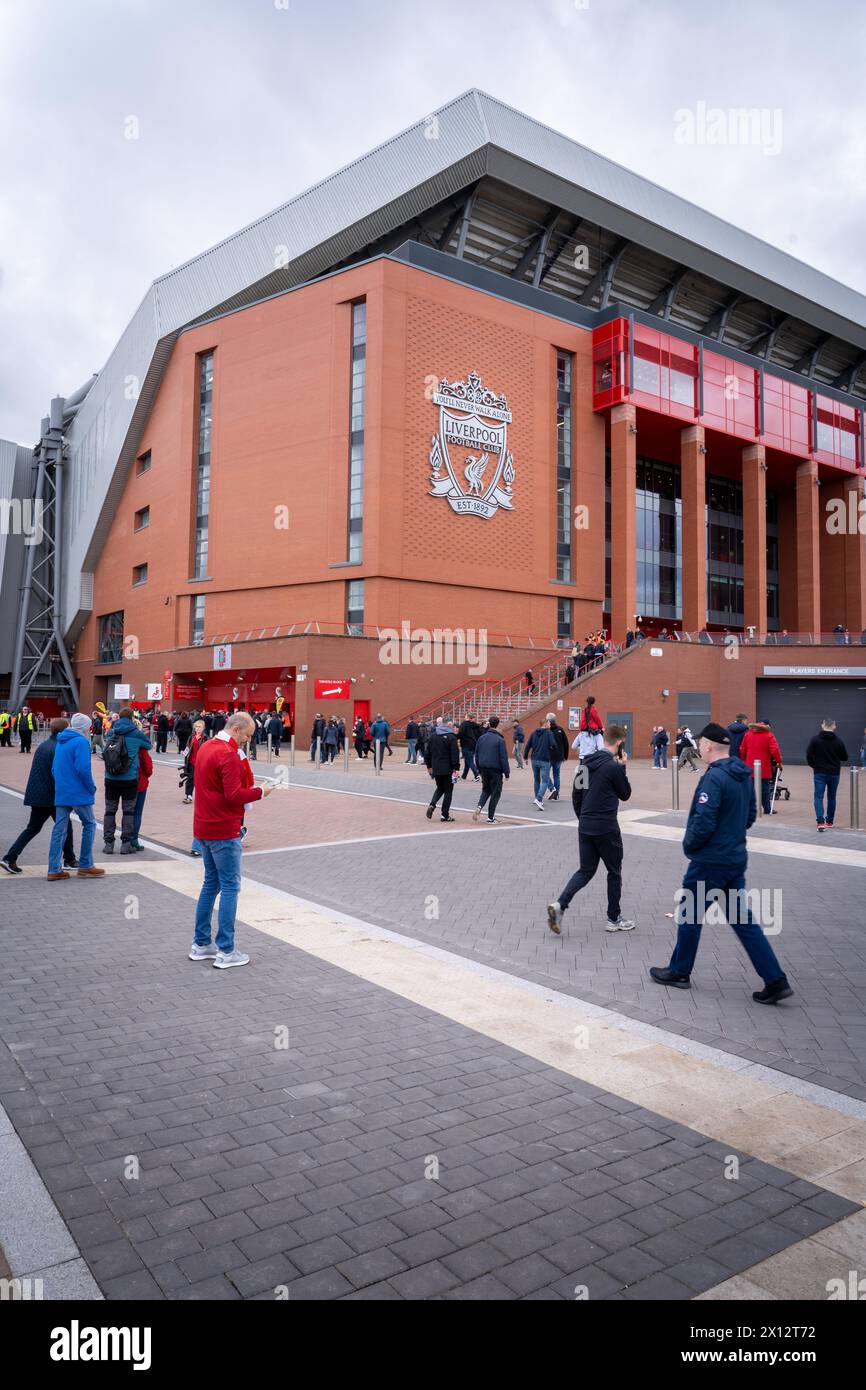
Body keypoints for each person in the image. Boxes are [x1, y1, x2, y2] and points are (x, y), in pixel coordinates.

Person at [649, 723, 793, 1004]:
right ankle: (775, 979)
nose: (700, 748)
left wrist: (690, 845)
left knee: (690, 915)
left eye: (702, 744)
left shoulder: (715, 778)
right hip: (735, 858)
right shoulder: (742, 774)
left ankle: (679, 971)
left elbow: (704, 820)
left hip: (710, 861)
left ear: (710, 747)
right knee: (743, 921)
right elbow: (751, 815)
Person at [189, 712, 272, 968]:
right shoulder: (227, 753)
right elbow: (234, 795)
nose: (248, 740)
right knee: (230, 887)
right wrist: (261, 791)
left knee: (210, 884)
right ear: (236, 729)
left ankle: (201, 944)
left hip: (203, 826)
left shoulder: (207, 746)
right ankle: (226, 950)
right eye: (247, 735)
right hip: (223, 828)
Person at [547, 724, 634, 935]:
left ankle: (560, 904)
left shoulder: (585, 764)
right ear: (620, 742)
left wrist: (583, 817)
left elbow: (577, 794)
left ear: (604, 740)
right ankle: (614, 918)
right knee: (614, 872)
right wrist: (623, 767)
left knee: (585, 870)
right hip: (606, 826)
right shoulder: (613, 767)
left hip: (585, 824)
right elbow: (625, 794)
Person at [1, 718, 78, 874]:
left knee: (33, 828)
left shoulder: (44, 746)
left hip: (38, 794)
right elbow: (60, 775)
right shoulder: (59, 747)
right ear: (64, 731)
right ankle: (69, 860)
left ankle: (10, 857)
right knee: (65, 827)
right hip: (52, 796)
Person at [47, 713, 105, 881]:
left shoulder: (61, 741)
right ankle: (86, 864)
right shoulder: (81, 742)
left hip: (62, 790)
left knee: (59, 829)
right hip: (78, 791)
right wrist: (91, 787)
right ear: (85, 728)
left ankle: (53, 868)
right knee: (89, 824)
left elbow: (54, 769)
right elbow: (83, 769)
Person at [102, 706, 152, 854]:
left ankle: (108, 844)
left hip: (110, 777)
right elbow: (148, 745)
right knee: (128, 811)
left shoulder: (112, 731)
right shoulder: (136, 733)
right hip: (129, 778)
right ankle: (126, 844)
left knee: (110, 811)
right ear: (132, 718)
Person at [805, 718, 849, 832]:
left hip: (819, 772)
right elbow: (845, 757)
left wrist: (814, 765)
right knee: (831, 797)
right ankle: (829, 821)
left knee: (818, 797)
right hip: (834, 773)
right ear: (834, 726)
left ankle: (820, 822)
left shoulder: (815, 740)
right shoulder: (839, 741)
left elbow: (809, 755)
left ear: (822, 725)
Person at [739, 720, 782, 815]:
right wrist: (779, 761)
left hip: (750, 766)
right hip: (764, 768)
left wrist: (744, 760)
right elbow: (775, 750)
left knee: (749, 789)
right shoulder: (769, 735)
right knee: (765, 790)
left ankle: (748, 809)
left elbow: (742, 749)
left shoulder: (748, 734)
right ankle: (767, 809)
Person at [472, 715, 509, 823]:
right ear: (497, 724)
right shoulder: (500, 739)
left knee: (486, 790)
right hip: (495, 770)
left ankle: (479, 806)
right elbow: (503, 757)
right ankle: (490, 817)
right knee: (495, 792)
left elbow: (477, 754)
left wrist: (479, 769)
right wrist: (506, 773)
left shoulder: (481, 738)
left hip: (483, 768)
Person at [424, 718, 459, 822]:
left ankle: (432, 805)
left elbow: (427, 752)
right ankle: (445, 814)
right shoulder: (452, 737)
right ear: (449, 725)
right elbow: (455, 754)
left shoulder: (433, 736)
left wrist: (429, 766)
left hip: (436, 767)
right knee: (448, 791)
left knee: (439, 788)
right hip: (448, 769)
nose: (453, 728)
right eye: (452, 726)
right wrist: (456, 768)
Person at [525, 718, 555, 810]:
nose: (550, 725)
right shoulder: (548, 733)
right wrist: (551, 748)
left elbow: (528, 745)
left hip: (534, 759)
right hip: (544, 759)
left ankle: (537, 798)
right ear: (545, 724)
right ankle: (539, 798)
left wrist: (525, 757)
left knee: (537, 780)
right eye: (549, 723)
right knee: (545, 781)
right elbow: (553, 744)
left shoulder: (534, 733)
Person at [131, 743, 153, 851]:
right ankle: (133, 839)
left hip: (124, 783)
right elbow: (148, 768)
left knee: (127, 811)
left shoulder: (121, 740)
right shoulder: (141, 747)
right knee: (137, 812)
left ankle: (124, 839)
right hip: (139, 783)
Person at [546, 712, 569, 801]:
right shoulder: (560, 729)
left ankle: (552, 789)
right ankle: (556, 795)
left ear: (548, 720)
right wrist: (565, 756)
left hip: (549, 757)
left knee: (545, 774)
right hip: (559, 756)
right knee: (556, 775)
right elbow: (566, 743)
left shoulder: (547, 731)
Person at [182, 719, 206, 803]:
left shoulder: (205, 738)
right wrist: (185, 754)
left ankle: (203, 797)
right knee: (190, 779)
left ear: (203, 728)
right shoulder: (191, 737)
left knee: (201, 781)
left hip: (201, 763)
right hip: (191, 761)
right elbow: (188, 747)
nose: (198, 728)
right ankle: (189, 796)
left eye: (200, 727)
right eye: (196, 726)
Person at [575, 695, 604, 760]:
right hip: (592, 729)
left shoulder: (584, 710)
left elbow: (582, 721)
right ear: (593, 702)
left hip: (584, 730)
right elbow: (597, 719)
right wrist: (601, 727)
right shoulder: (593, 710)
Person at [457, 716, 481, 781]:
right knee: (467, 760)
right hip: (473, 744)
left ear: (467, 717)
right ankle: (464, 776)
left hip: (466, 744)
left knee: (469, 760)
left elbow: (461, 733)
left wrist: (455, 737)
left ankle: (476, 775)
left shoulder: (464, 724)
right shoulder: (475, 725)